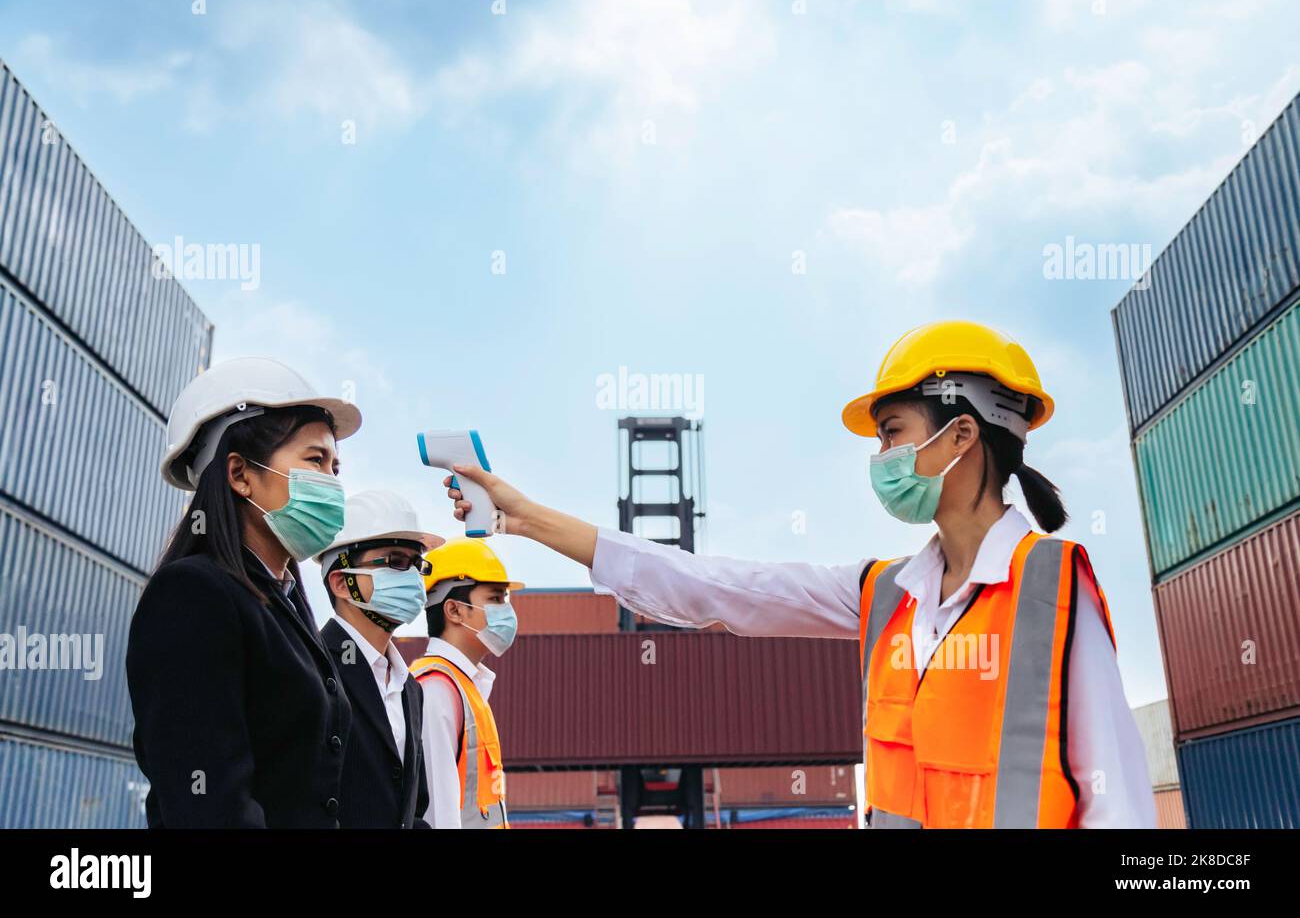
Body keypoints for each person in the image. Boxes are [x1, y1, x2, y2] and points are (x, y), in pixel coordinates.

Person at [442, 320, 1157, 829]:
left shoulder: (1052, 590)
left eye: (893, 432)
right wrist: (527, 516)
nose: (880, 456)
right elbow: (711, 589)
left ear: (962, 434)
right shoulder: (885, 595)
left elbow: (1118, 806)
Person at [126, 357, 360, 827]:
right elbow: (211, 806)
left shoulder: (286, 605)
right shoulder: (193, 595)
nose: (332, 481)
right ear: (239, 474)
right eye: (316, 460)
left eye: (335, 467)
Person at [315, 490, 441, 829]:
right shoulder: (309, 666)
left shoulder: (410, 688)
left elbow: (413, 811)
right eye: (396, 562)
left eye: (418, 564)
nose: (414, 577)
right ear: (342, 583)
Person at [412, 538, 523, 828]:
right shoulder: (435, 689)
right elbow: (437, 814)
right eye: (496, 599)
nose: (507, 612)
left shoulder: (464, 686)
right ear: (454, 611)